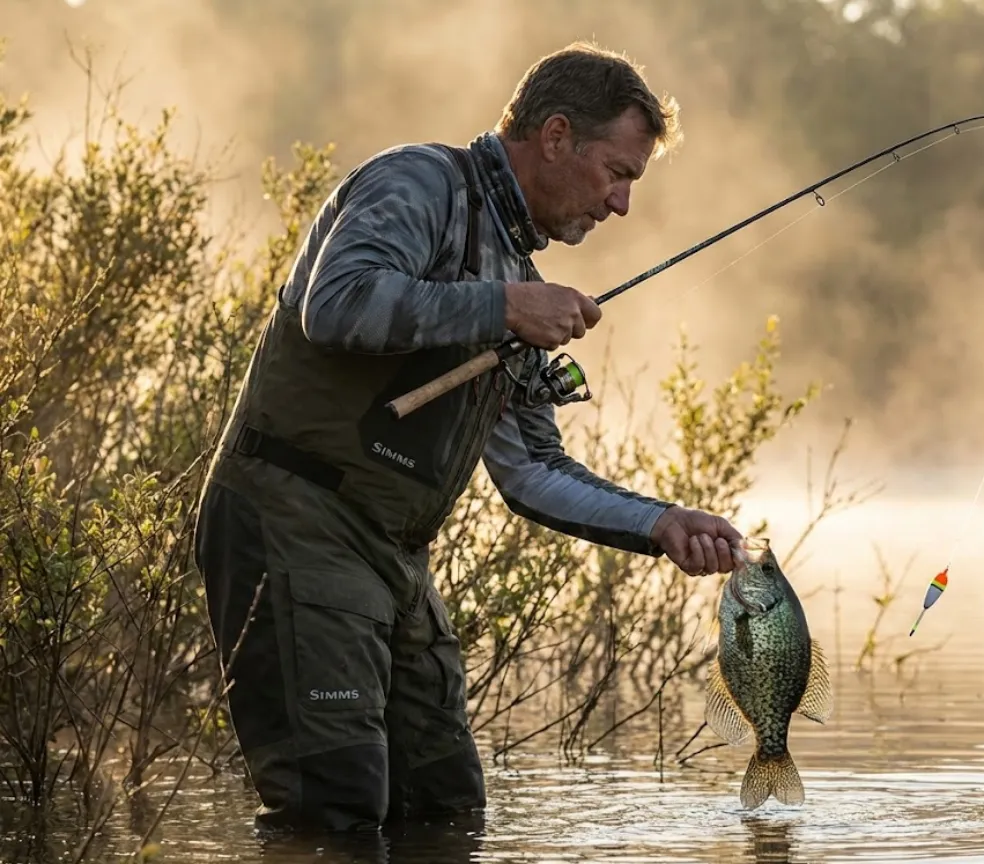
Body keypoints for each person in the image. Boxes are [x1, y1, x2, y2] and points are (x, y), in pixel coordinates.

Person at [193, 40, 743, 838]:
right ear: (556, 137)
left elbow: (531, 473)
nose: (622, 204)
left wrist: (661, 523)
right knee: (333, 808)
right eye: (618, 174)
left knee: (446, 807)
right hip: (292, 518)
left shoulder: (517, 267)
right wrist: (504, 309)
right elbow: (337, 302)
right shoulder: (419, 182)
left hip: (393, 556)